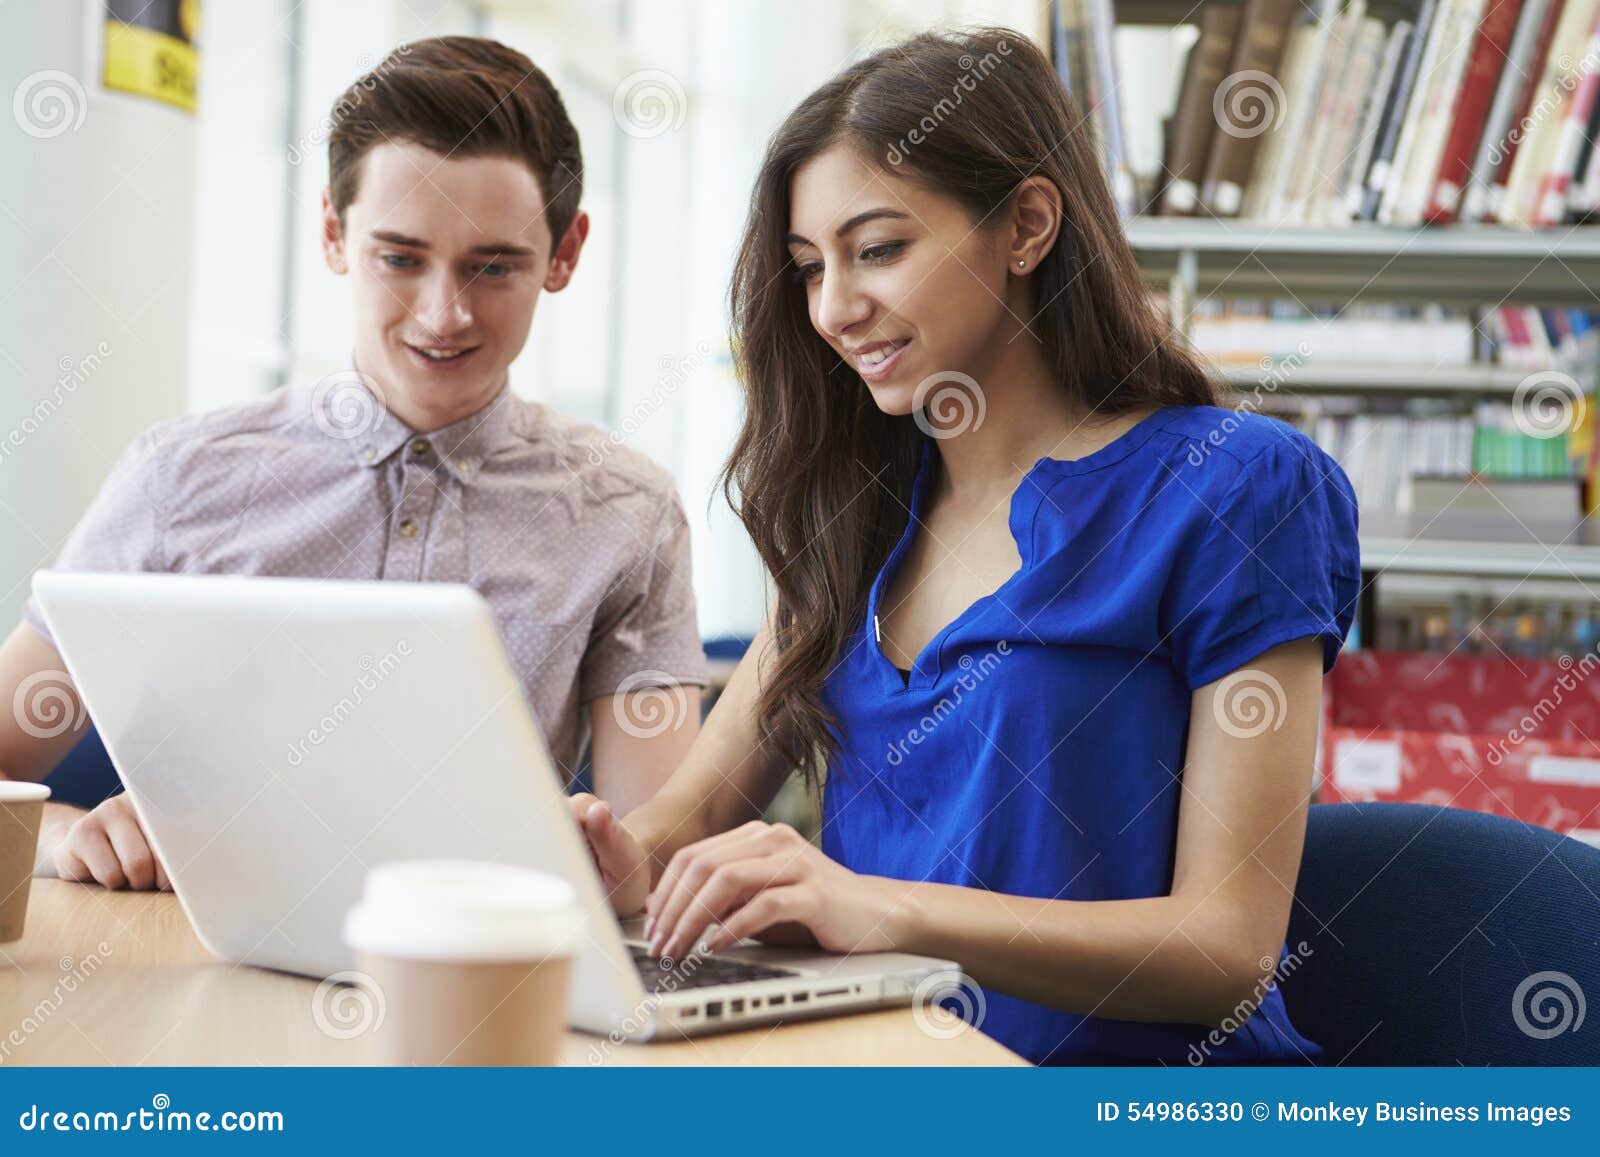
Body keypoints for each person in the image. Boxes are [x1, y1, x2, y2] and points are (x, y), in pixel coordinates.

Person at [570, 28, 1359, 1066]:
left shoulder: (1236, 485)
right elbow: (689, 811)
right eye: (810, 268)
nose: (835, 309)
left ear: (1025, 225)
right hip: (889, 1076)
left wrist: (886, 910)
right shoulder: (853, 515)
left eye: (879, 248)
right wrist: (621, 863)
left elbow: (1227, 946)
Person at [0, 37, 706, 891]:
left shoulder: (627, 512)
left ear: (564, 253)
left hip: (472, 972)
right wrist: (57, 838)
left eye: (492, 267)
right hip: (196, 979)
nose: (443, 314)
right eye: (400, 258)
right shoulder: (176, 480)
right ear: (335, 235)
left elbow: (649, 850)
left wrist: (617, 859)